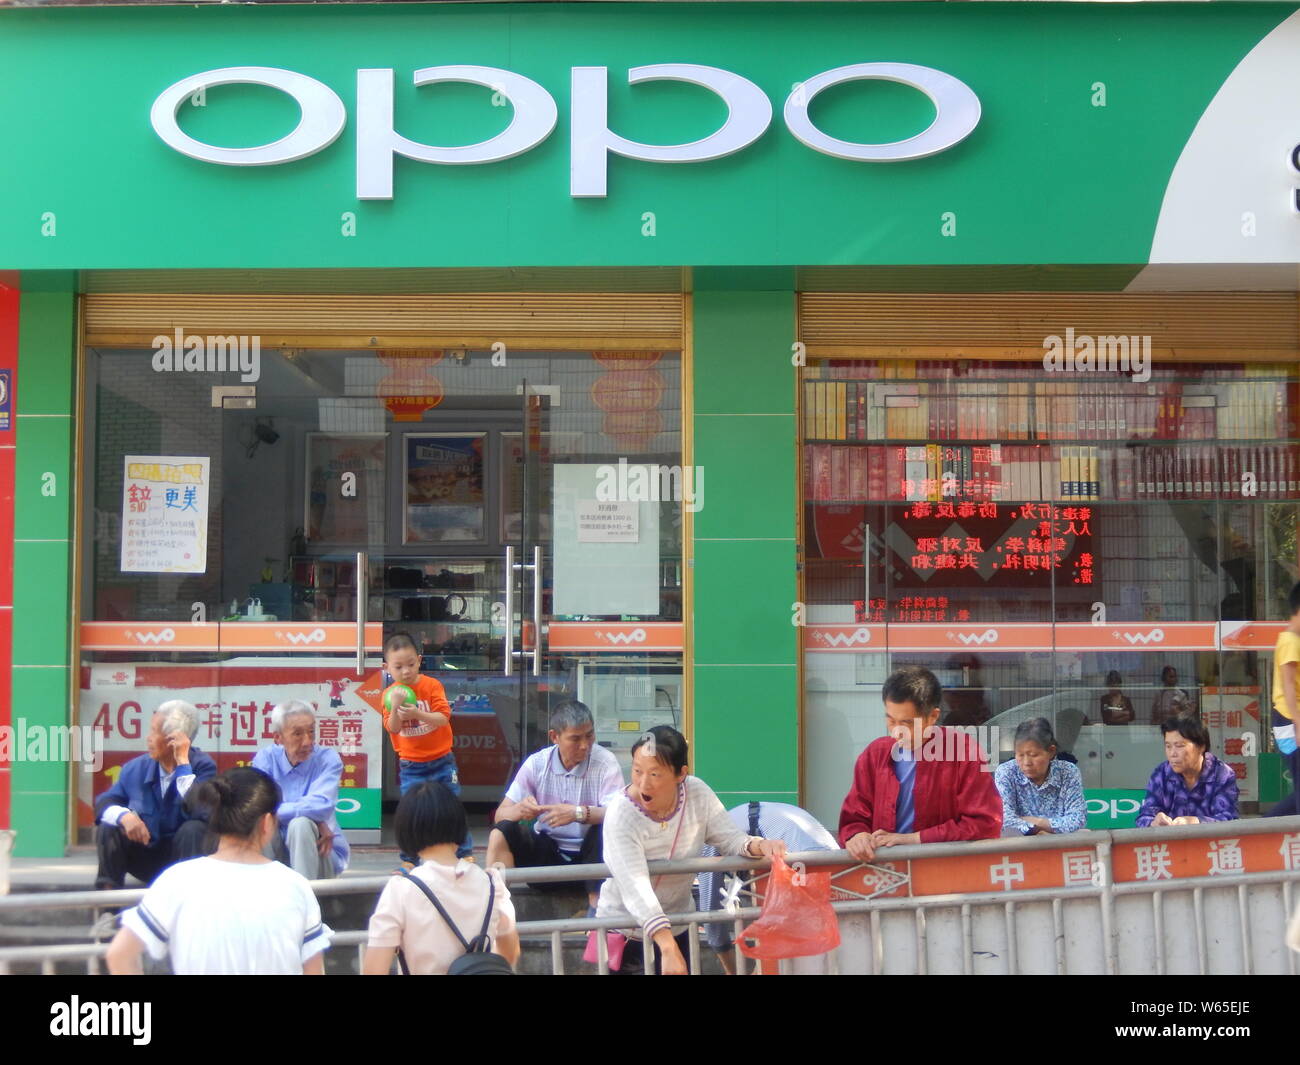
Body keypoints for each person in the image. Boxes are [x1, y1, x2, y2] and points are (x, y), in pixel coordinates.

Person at [597, 725, 787, 975]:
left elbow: (728, 837)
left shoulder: (696, 792)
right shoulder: (621, 815)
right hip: (626, 929)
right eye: (637, 771)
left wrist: (758, 845)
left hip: (677, 924)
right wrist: (666, 946)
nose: (644, 783)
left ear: (680, 774)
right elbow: (635, 888)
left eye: (655, 774)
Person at [105, 767, 332, 975]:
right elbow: (314, 970)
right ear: (267, 822)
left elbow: (119, 955)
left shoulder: (178, 880)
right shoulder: (295, 886)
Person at [839, 665, 1001, 862]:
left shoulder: (964, 753)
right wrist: (857, 835)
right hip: (884, 875)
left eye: (906, 723)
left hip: (943, 873)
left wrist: (914, 839)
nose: (896, 732)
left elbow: (985, 823)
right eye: (890, 721)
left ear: (933, 716)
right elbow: (854, 816)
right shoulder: (875, 754)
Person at [363, 781, 519, 975]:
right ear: (459, 823)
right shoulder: (492, 884)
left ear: (406, 830)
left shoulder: (400, 889)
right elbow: (510, 953)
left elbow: (374, 969)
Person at [486, 700, 624, 910]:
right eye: (575, 739)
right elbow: (500, 815)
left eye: (589, 735)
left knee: (606, 826)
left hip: (591, 860)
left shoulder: (605, 762)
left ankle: (596, 908)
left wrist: (578, 813)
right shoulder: (537, 763)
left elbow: (619, 814)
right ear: (554, 737)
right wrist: (519, 810)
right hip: (547, 857)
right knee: (502, 830)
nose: (585, 745)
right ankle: (496, 908)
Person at [697, 801, 838, 974]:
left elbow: (711, 913)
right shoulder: (730, 820)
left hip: (794, 849)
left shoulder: (710, 841)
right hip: (825, 846)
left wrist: (732, 971)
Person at [93, 700, 217, 891]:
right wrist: (124, 816)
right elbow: (105, 801)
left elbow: (204, 811)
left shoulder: (203, 766)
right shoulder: (136, 768)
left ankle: (185, 908)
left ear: (174, 738)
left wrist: (183, 763)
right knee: (110, 826)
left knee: (194, 828)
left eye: (153, 732)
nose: (148, 738)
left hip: (183, 862)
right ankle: (106, 909)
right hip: (146, 857)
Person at [380, 631, 473, 861]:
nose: (406, 671)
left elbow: (443, 717)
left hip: (441, 759)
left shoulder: (432, 686)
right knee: (411, 812)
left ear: (419, 660)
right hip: (411, 765)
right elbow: (392, 728)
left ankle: (463, 853)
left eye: (411, 664)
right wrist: (396, 708)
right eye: (398, 667)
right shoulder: (388, 695)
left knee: (451, 806)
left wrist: (416, 712)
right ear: (386, 668)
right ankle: (410, 858)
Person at [251, 700, 349, 880]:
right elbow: (259, 807)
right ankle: (265, 894)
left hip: (321, 851)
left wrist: (280, 812)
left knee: (301, 824)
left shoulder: (327, 759)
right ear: (278, 737)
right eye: (297, 734)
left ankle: (306, 901)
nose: (307, 741)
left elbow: (321, 806)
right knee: (263, 822)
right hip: (277, 850)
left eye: (311, 732)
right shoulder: (265, 759)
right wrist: (317, 820)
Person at [1135, 715, 1239, 827]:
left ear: (1201, 746)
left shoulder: (1222, 775)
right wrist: (1153, 822)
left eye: (1179, 746)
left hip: (1209, 843)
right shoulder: (1162, 774)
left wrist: (1196, 821)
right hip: (1172, 842)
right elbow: (1143, 817)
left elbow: (1229, 818)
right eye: (1168, 746)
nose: (1172, 754)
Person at [994, 718, 1086, 836]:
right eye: (1020, 755)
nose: (1026, 762)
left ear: (1051, 751)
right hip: (1018, 848)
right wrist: (1040, 832)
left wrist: (1038, 822)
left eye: (1033, 755)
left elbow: (1078, 819)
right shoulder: (1006, 772)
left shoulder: (1068, 772)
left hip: (1062, 846)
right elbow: (1004, 819)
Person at [1265, 582, 1300, 817]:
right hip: (1288, 722)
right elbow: (1288, 684)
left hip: (1290, 721)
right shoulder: (1290, 640)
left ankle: (1262, 827)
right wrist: (1298, 724)